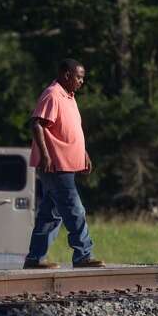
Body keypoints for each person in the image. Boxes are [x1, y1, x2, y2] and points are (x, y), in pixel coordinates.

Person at [25, 59, 104, 269]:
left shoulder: (69, 97)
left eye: (83, 78)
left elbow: (70, 129)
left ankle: (34, 258)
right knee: (74, 209)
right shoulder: (53, 94)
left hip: (66, 164)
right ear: (66, 75)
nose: (81, 81)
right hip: (56, 165)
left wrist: (83, 152)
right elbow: (37, 124)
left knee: (50, 215)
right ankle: (83, 255)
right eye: (78, 77)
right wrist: (46, 155)